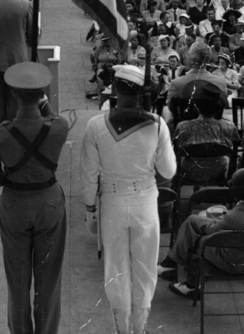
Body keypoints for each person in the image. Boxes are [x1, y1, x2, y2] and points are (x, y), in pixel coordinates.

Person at [80, 64, 177, 334]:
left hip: (111, 201)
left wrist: (90, 210)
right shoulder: (156, 125)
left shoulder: (96, 125)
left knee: (116, 271)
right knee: (145, 271)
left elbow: (88, 178)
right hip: (145, 200)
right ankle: (140, 327)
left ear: (115, 89)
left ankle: (122, 330)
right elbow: (168, 171)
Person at [0, 61, 70, 334]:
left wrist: (11, 179)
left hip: (15, 204)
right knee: (49, 277)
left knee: (17, 279)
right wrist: (43, 104)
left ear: (13, 94)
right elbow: (56, 119)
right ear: (42, 94)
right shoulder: (58, 127)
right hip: (49, 202)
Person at [161, 168, 244, 299]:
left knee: (196, 237)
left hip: (233, 263)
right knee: (194, 224)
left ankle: (190, 286)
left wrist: (209, 220)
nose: (229, 182)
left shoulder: (235, 216)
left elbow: (210, 230)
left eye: (233, 182)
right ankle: (169, 263)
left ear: (240, 191)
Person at [173, 83, 240, 185]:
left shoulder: (183, 126)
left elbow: (177, 149)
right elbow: (234, 144)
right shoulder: (229, 126)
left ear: (197, 107)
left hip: (190, 171)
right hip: (217, 171)